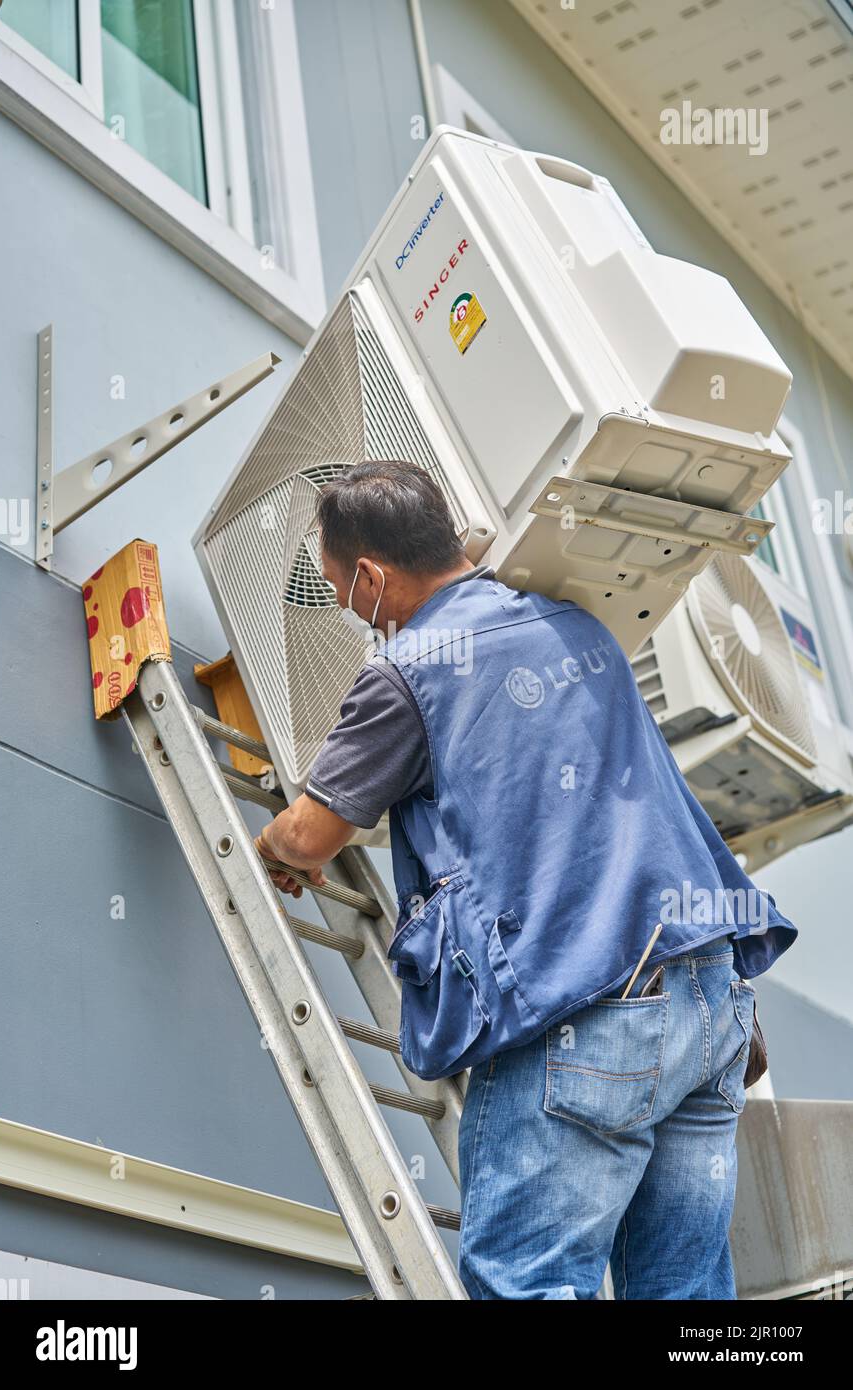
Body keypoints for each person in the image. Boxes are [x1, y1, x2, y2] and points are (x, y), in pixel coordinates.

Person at [253, 459, 797, 1300]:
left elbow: (310, 830)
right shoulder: (576, 629)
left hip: (587, 1015)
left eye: (335, 587)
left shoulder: (409, 669)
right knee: (686, 1296)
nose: (339, 606)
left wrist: (275, 850)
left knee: (528, 1283)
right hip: (711, 1001)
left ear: (370, 575)